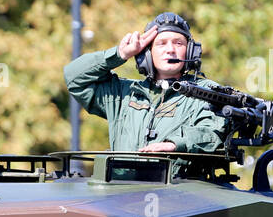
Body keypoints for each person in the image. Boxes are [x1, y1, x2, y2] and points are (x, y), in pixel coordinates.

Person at [63, 12, 229, 155]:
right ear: (147, 54)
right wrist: (120, 54)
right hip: (124, 189)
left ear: (191, 51)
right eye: (161, 43)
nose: (170, 49)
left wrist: (175, 144)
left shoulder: (206, 92)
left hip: (178, 188)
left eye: (178, 43)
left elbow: (213, 131)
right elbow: (74, 77)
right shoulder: (124, 94)